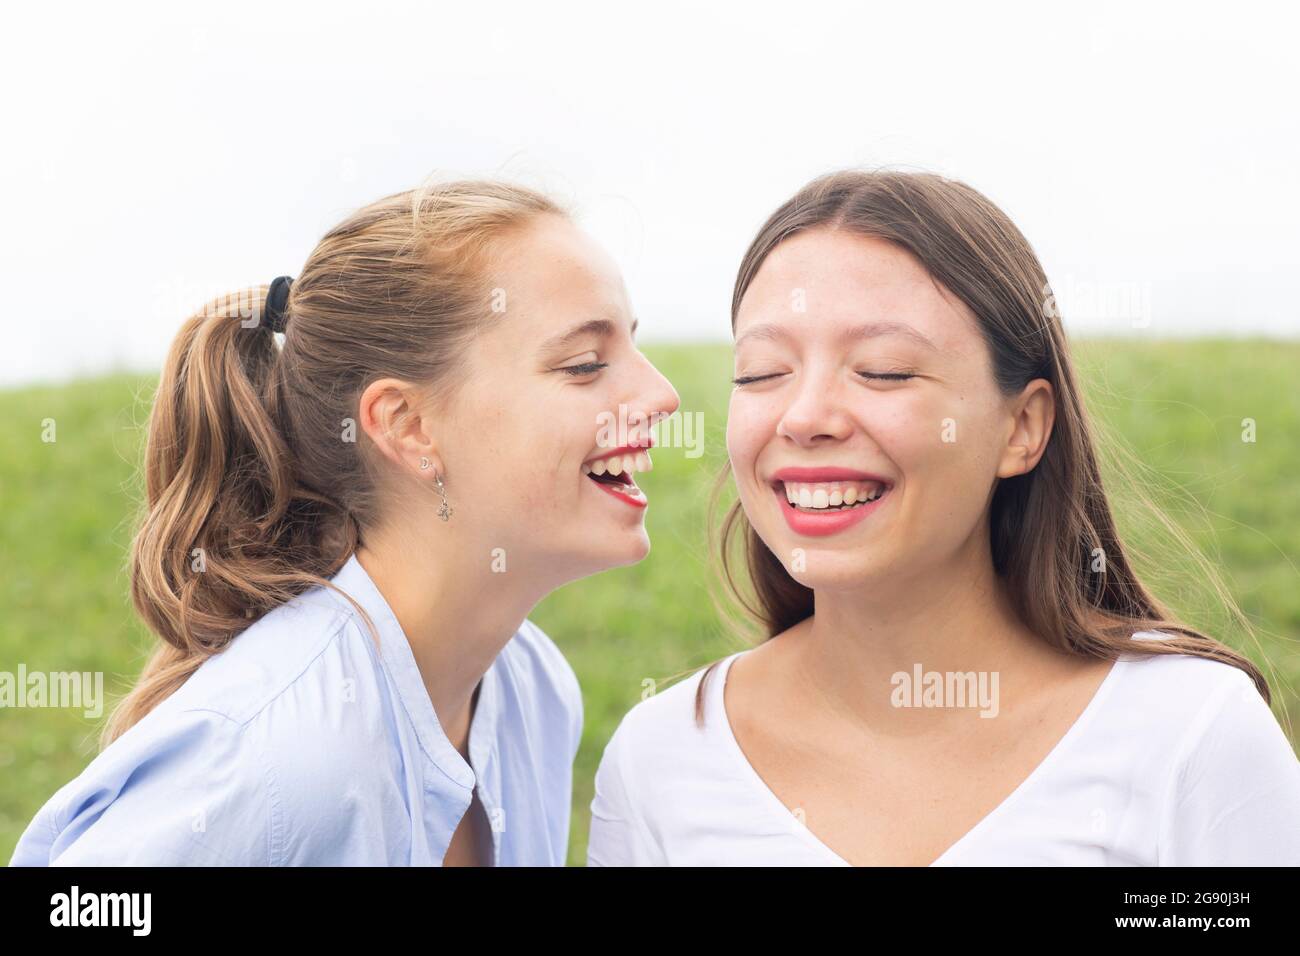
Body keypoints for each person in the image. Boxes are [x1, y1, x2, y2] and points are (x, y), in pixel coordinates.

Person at [587, 169, 1300, 866]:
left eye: (884, 370)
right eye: (762, 373)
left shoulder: (1191, 735)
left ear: (1023, 427)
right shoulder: (660, 762)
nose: (804, 417)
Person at [11, 178, 679, 866]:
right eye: (584, 364)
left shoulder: (534, 692)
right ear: (408, 426)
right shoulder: (272, 760)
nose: (661, 394)